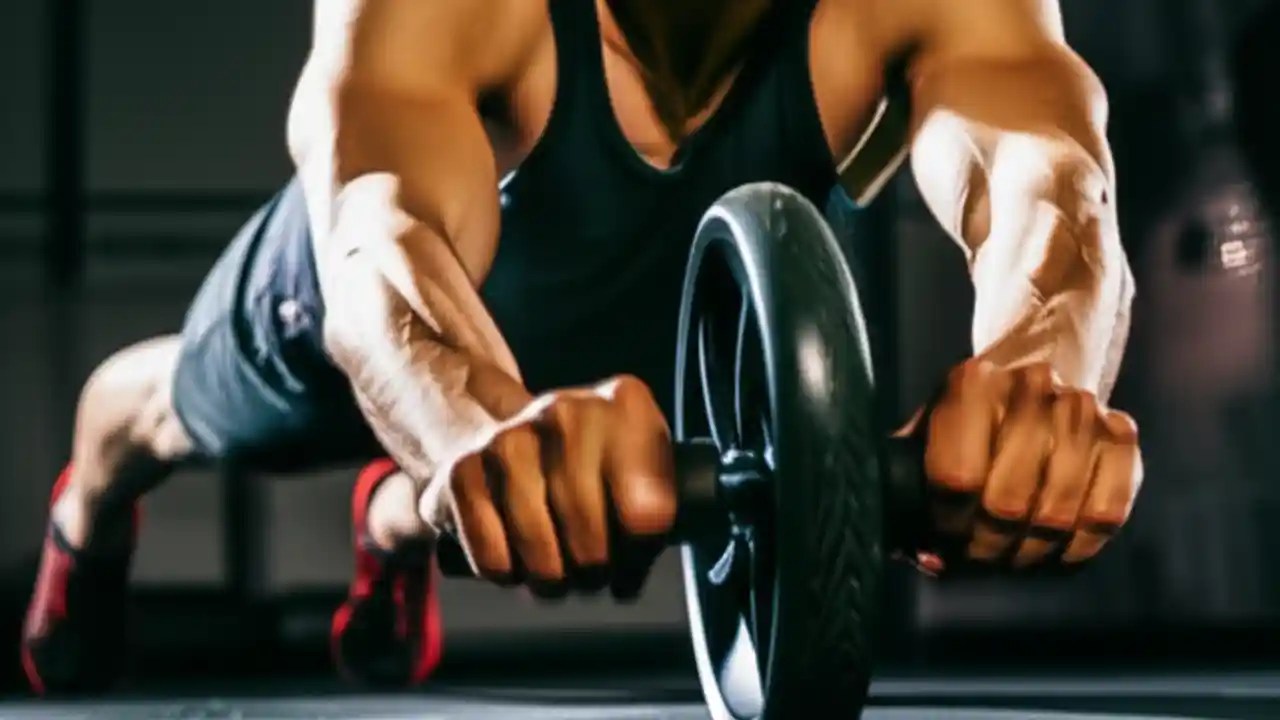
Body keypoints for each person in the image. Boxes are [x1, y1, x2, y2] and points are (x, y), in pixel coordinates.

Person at [22, 0, 1143, 695]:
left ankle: (393, 521)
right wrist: (469, 428)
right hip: (353, 319)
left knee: (525, 476)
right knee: (157, 410)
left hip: (621, 363)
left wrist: (1037, 382)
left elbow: (1048, 180)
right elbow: (382, 234)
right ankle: (88, 513)